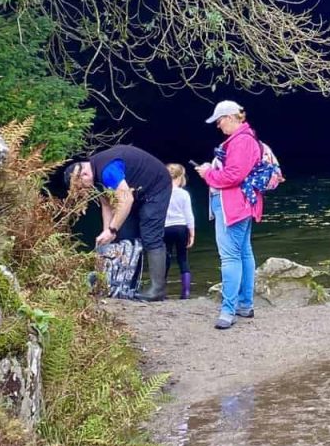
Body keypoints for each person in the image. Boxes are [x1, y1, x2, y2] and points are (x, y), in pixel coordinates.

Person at [63, 144, 173, 302]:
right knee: (126, 235)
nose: (83, 192)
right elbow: (107, 204)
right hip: (135, 190)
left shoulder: (108, 171)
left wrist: (112, 229)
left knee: (150, 235)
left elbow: (126, 199)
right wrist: (107, 233)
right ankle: (129, 284)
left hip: (156, 185)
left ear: (84, 174)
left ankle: (157, 289)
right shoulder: (95, 177)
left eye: (81, 187)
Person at [196, 99, 260, 331]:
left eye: (220, 120)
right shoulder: (245, 139)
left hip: (232, 205)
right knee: (243, 252)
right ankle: (245, 304)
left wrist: (208, 173)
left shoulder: (241, 141)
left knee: (230, 257)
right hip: (242, 204)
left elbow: (233, 175)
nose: (218, 125)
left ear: (232, 117)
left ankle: (228, 310)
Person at [164, 163, 196, 300]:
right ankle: (186, 292)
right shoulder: (184, 194)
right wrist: (192, 233)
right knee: (182, 258)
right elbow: (189, 214)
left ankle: (161, 290)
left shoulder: (161, 192)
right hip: (181, 228)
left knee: (165, 258)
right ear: (180, 176)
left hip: (165, 228)